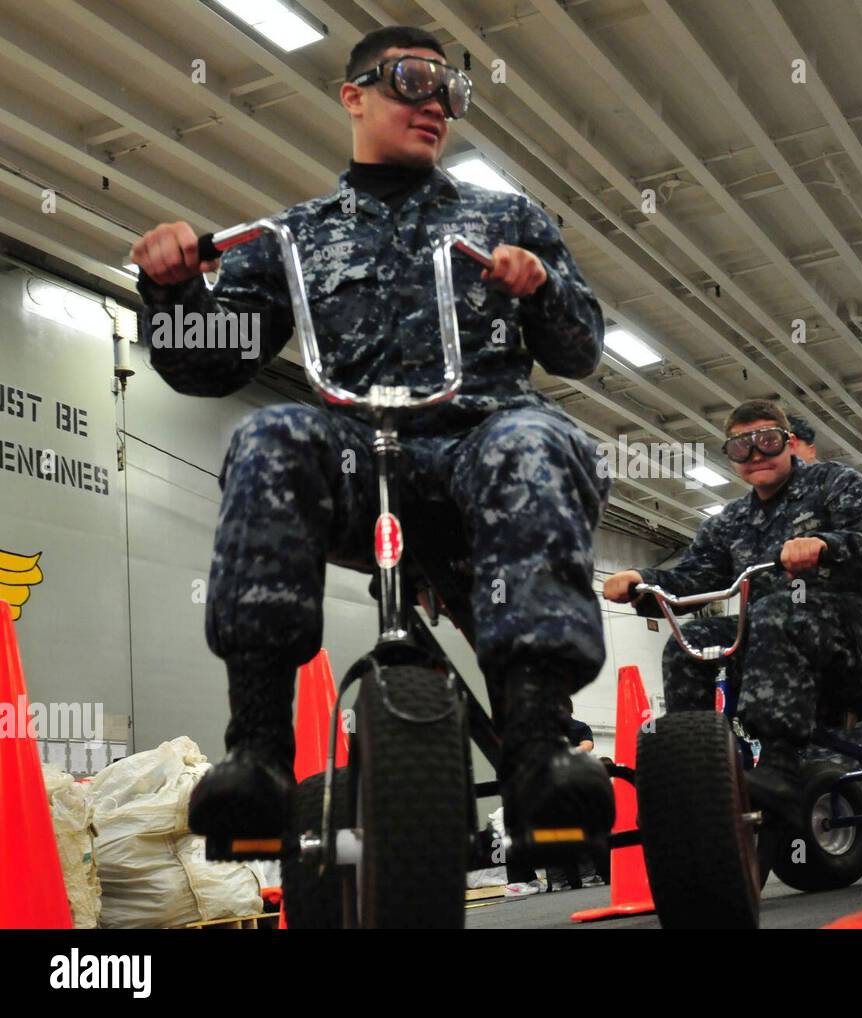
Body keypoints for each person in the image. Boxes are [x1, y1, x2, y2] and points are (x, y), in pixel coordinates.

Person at [129, 25, 614, 853]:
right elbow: (214, 364)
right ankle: (258, 755)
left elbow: (580, 350)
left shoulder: (504, 216)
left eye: (450, 93)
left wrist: (538, 290)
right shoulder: (297, 234)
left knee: (533, 440)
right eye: (411, 83)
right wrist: (170, 289)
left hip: (481, 454)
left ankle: (536, 746)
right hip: (359, 460)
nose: (435, 105)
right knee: (271, 433)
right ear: (353, 94)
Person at [603, 399, 862, 828]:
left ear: (789, 442)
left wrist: (827, 545)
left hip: (847, 642)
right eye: (742, 448)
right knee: (692, 643)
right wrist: (639, 581)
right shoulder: (730, 521)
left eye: (767, 440)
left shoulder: (834, 484)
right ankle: (699, 768)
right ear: (732, 458)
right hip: (769, 644)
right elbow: (694, 576)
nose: (756, 454)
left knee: (777, 610)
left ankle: (779, 765)